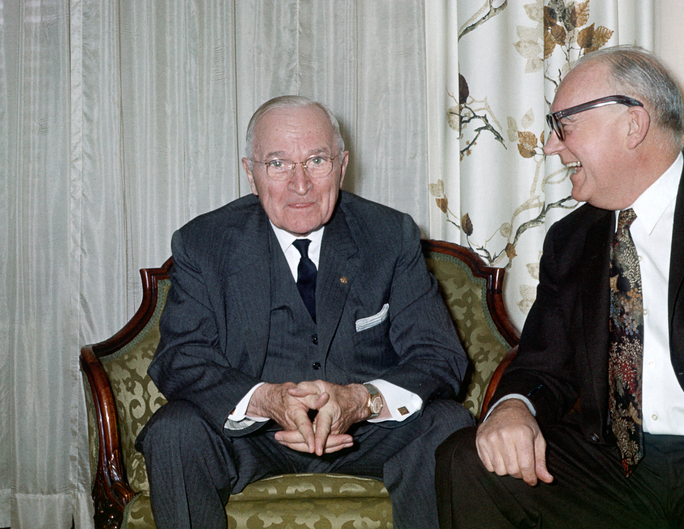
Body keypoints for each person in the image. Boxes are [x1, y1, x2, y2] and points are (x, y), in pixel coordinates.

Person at [435, 45, 684, 528]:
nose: (551, 146)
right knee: (470, 460)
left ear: (633, 124)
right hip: (615, 466)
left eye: (564, 125)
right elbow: (542, 367)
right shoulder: (569, 240)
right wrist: (512, 408)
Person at [136, 95, 474, 529]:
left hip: (366, 434)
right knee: (174, 430)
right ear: (250, 173)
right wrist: (265, 400)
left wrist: (361, 400)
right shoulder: (204, 242)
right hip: (252, 437)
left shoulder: (389, 235)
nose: (300, 185)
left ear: (342, 165)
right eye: (278, 164)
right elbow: (180, 357)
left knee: (448, 422)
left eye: (317, 160)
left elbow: (439, 355)